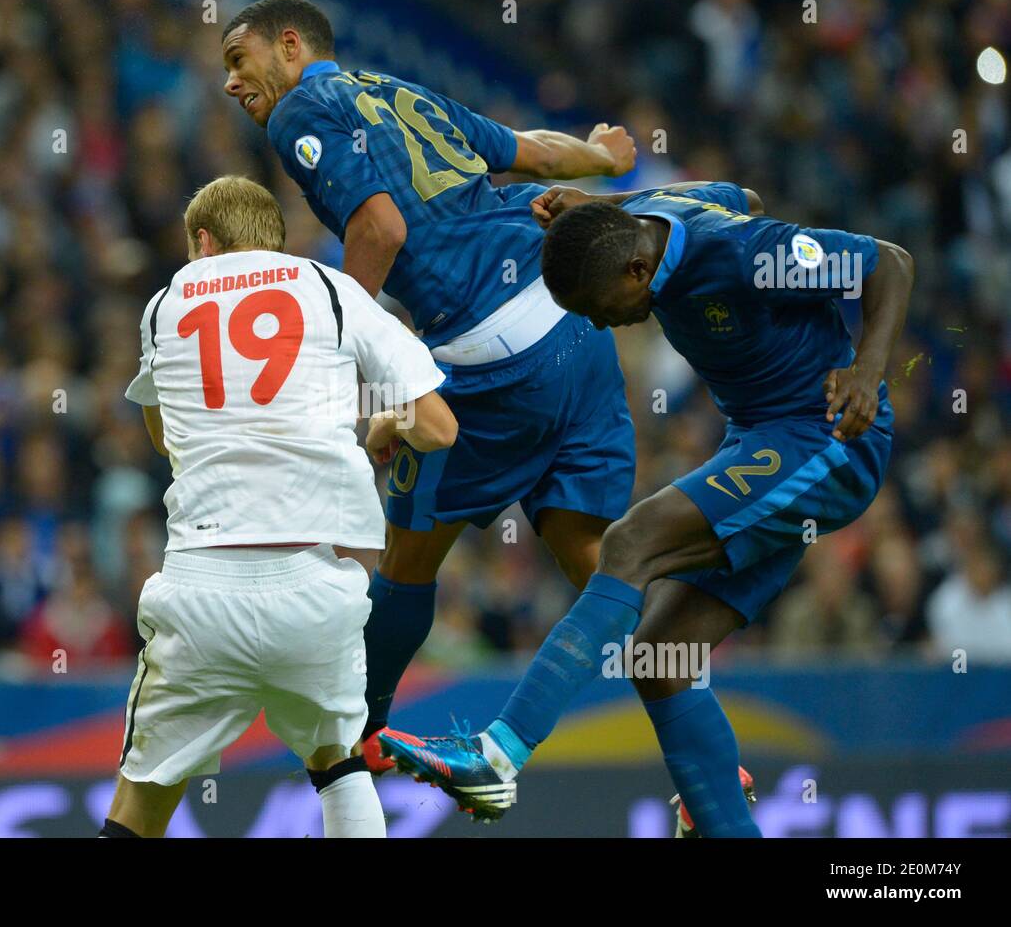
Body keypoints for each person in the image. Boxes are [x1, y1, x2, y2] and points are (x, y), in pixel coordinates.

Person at [381, 181, 913, 834]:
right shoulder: (641, 229)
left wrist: (868, 368)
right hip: (761, 437)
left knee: (632, 542)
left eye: (603, 309)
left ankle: (496, 756)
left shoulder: (743, 255)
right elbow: (740, 193)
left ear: (638, 269)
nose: (604, 324)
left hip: (824, 435)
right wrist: (596, 206)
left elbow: (887, 260)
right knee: (660, 655)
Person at [220, 0, 638, 776]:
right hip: (576, 324)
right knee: (603, 568)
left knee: (408, 557)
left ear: (287, 45)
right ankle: (706, 761)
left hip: (496, 357)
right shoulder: (399, 91)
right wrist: (604, 159)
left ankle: (360, 740)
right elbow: (534, 154)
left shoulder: (299, 111)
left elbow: (380, 229)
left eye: (238, 62)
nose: (233, 85)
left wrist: (344, 354)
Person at [100, 175, 456, 838]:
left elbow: (165, 439)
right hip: (316, 586)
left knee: (141, 802)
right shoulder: (329, 289)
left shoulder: (165, 304)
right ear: (273, 240)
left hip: (202, 585)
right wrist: (378, 421)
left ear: (203, 242)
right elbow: (438, 428)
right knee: (339, 765)